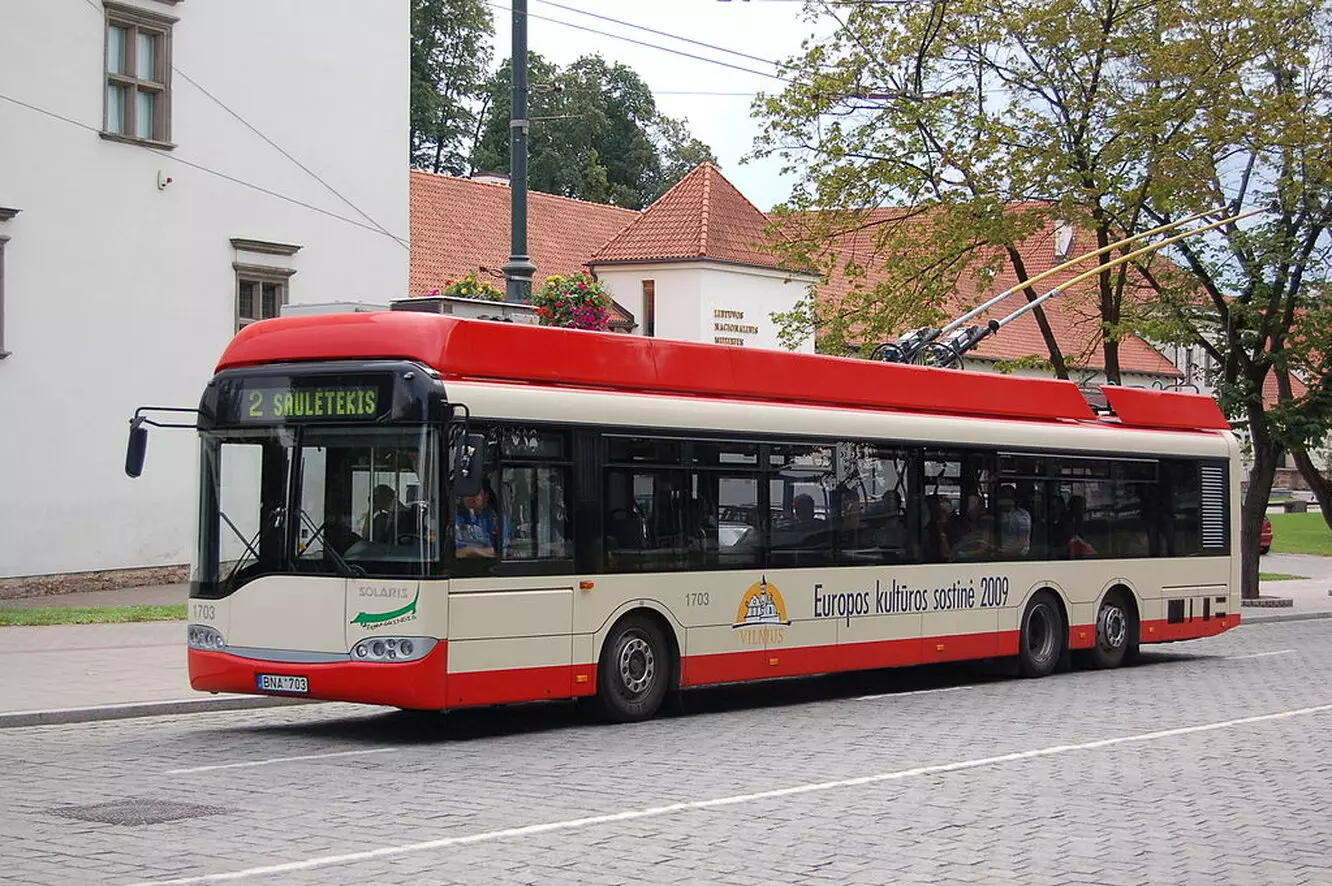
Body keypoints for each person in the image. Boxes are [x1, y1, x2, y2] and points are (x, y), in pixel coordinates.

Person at [455, 482, 503, 558]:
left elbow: (501, 551)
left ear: (486, 496)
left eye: (475, 494)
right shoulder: (457, 517)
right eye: (466, 494)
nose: (470, 498)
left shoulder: (497, 519)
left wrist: (470, 551)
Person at [997, 484, 1031, 557]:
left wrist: (1002, 553)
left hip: (1017, 557)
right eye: (1002, 497)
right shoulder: (999, 514)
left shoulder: (1022, 515)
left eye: (1008, 497)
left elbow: (1021, 543)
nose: (1005, 500)